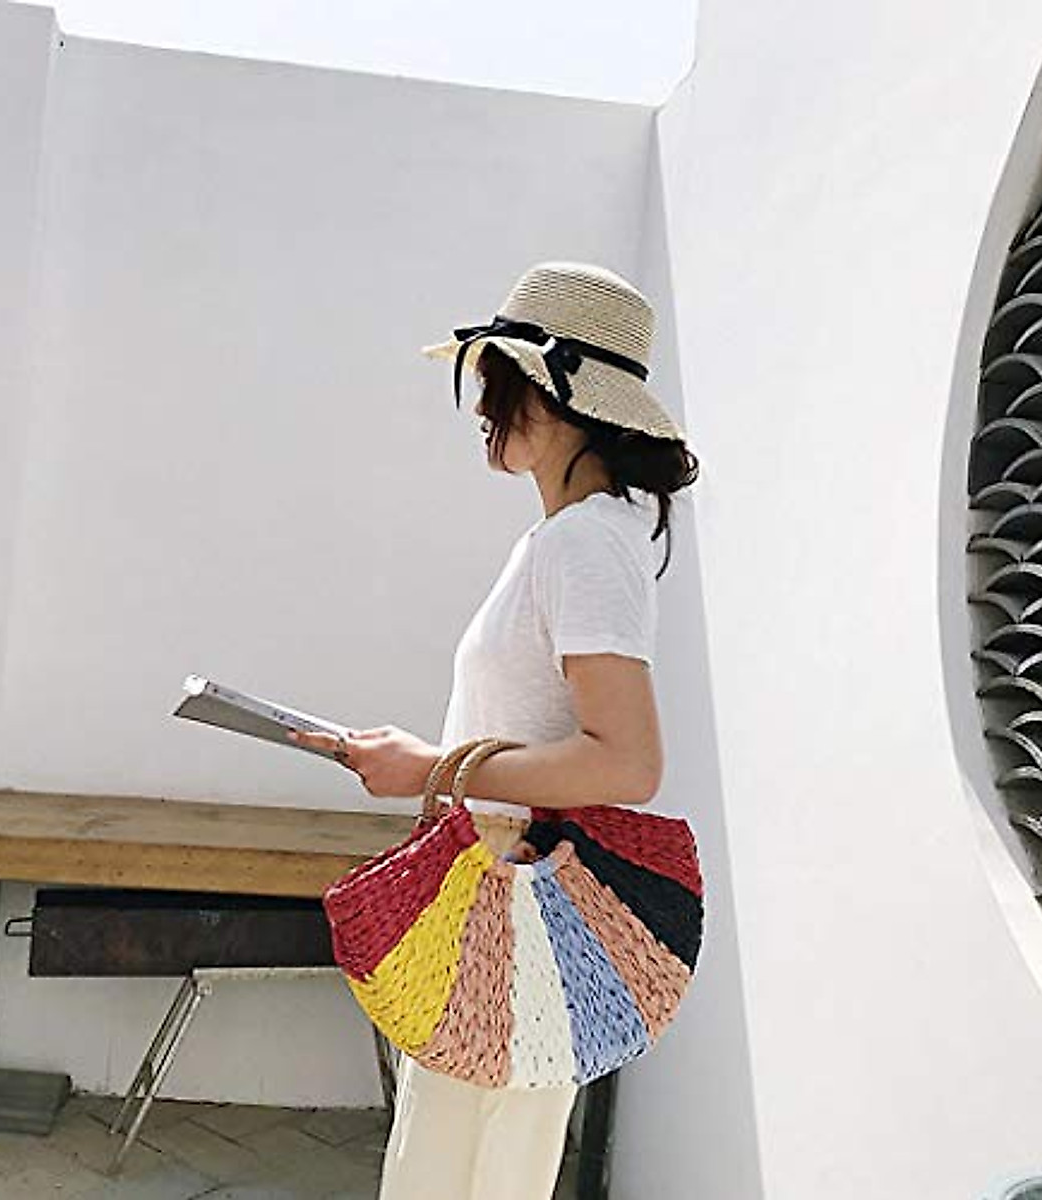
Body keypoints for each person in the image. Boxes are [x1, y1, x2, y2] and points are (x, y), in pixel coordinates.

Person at [290, 260, 699, 1200]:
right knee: (466, 1164)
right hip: (499, 898)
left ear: (561, 397)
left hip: (517, 904)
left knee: (465, 1171)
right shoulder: (571, 539)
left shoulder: (582, 545)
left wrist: (433, 769)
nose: (481, 405)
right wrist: (427, 764)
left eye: (500, 381)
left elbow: (627, 763)